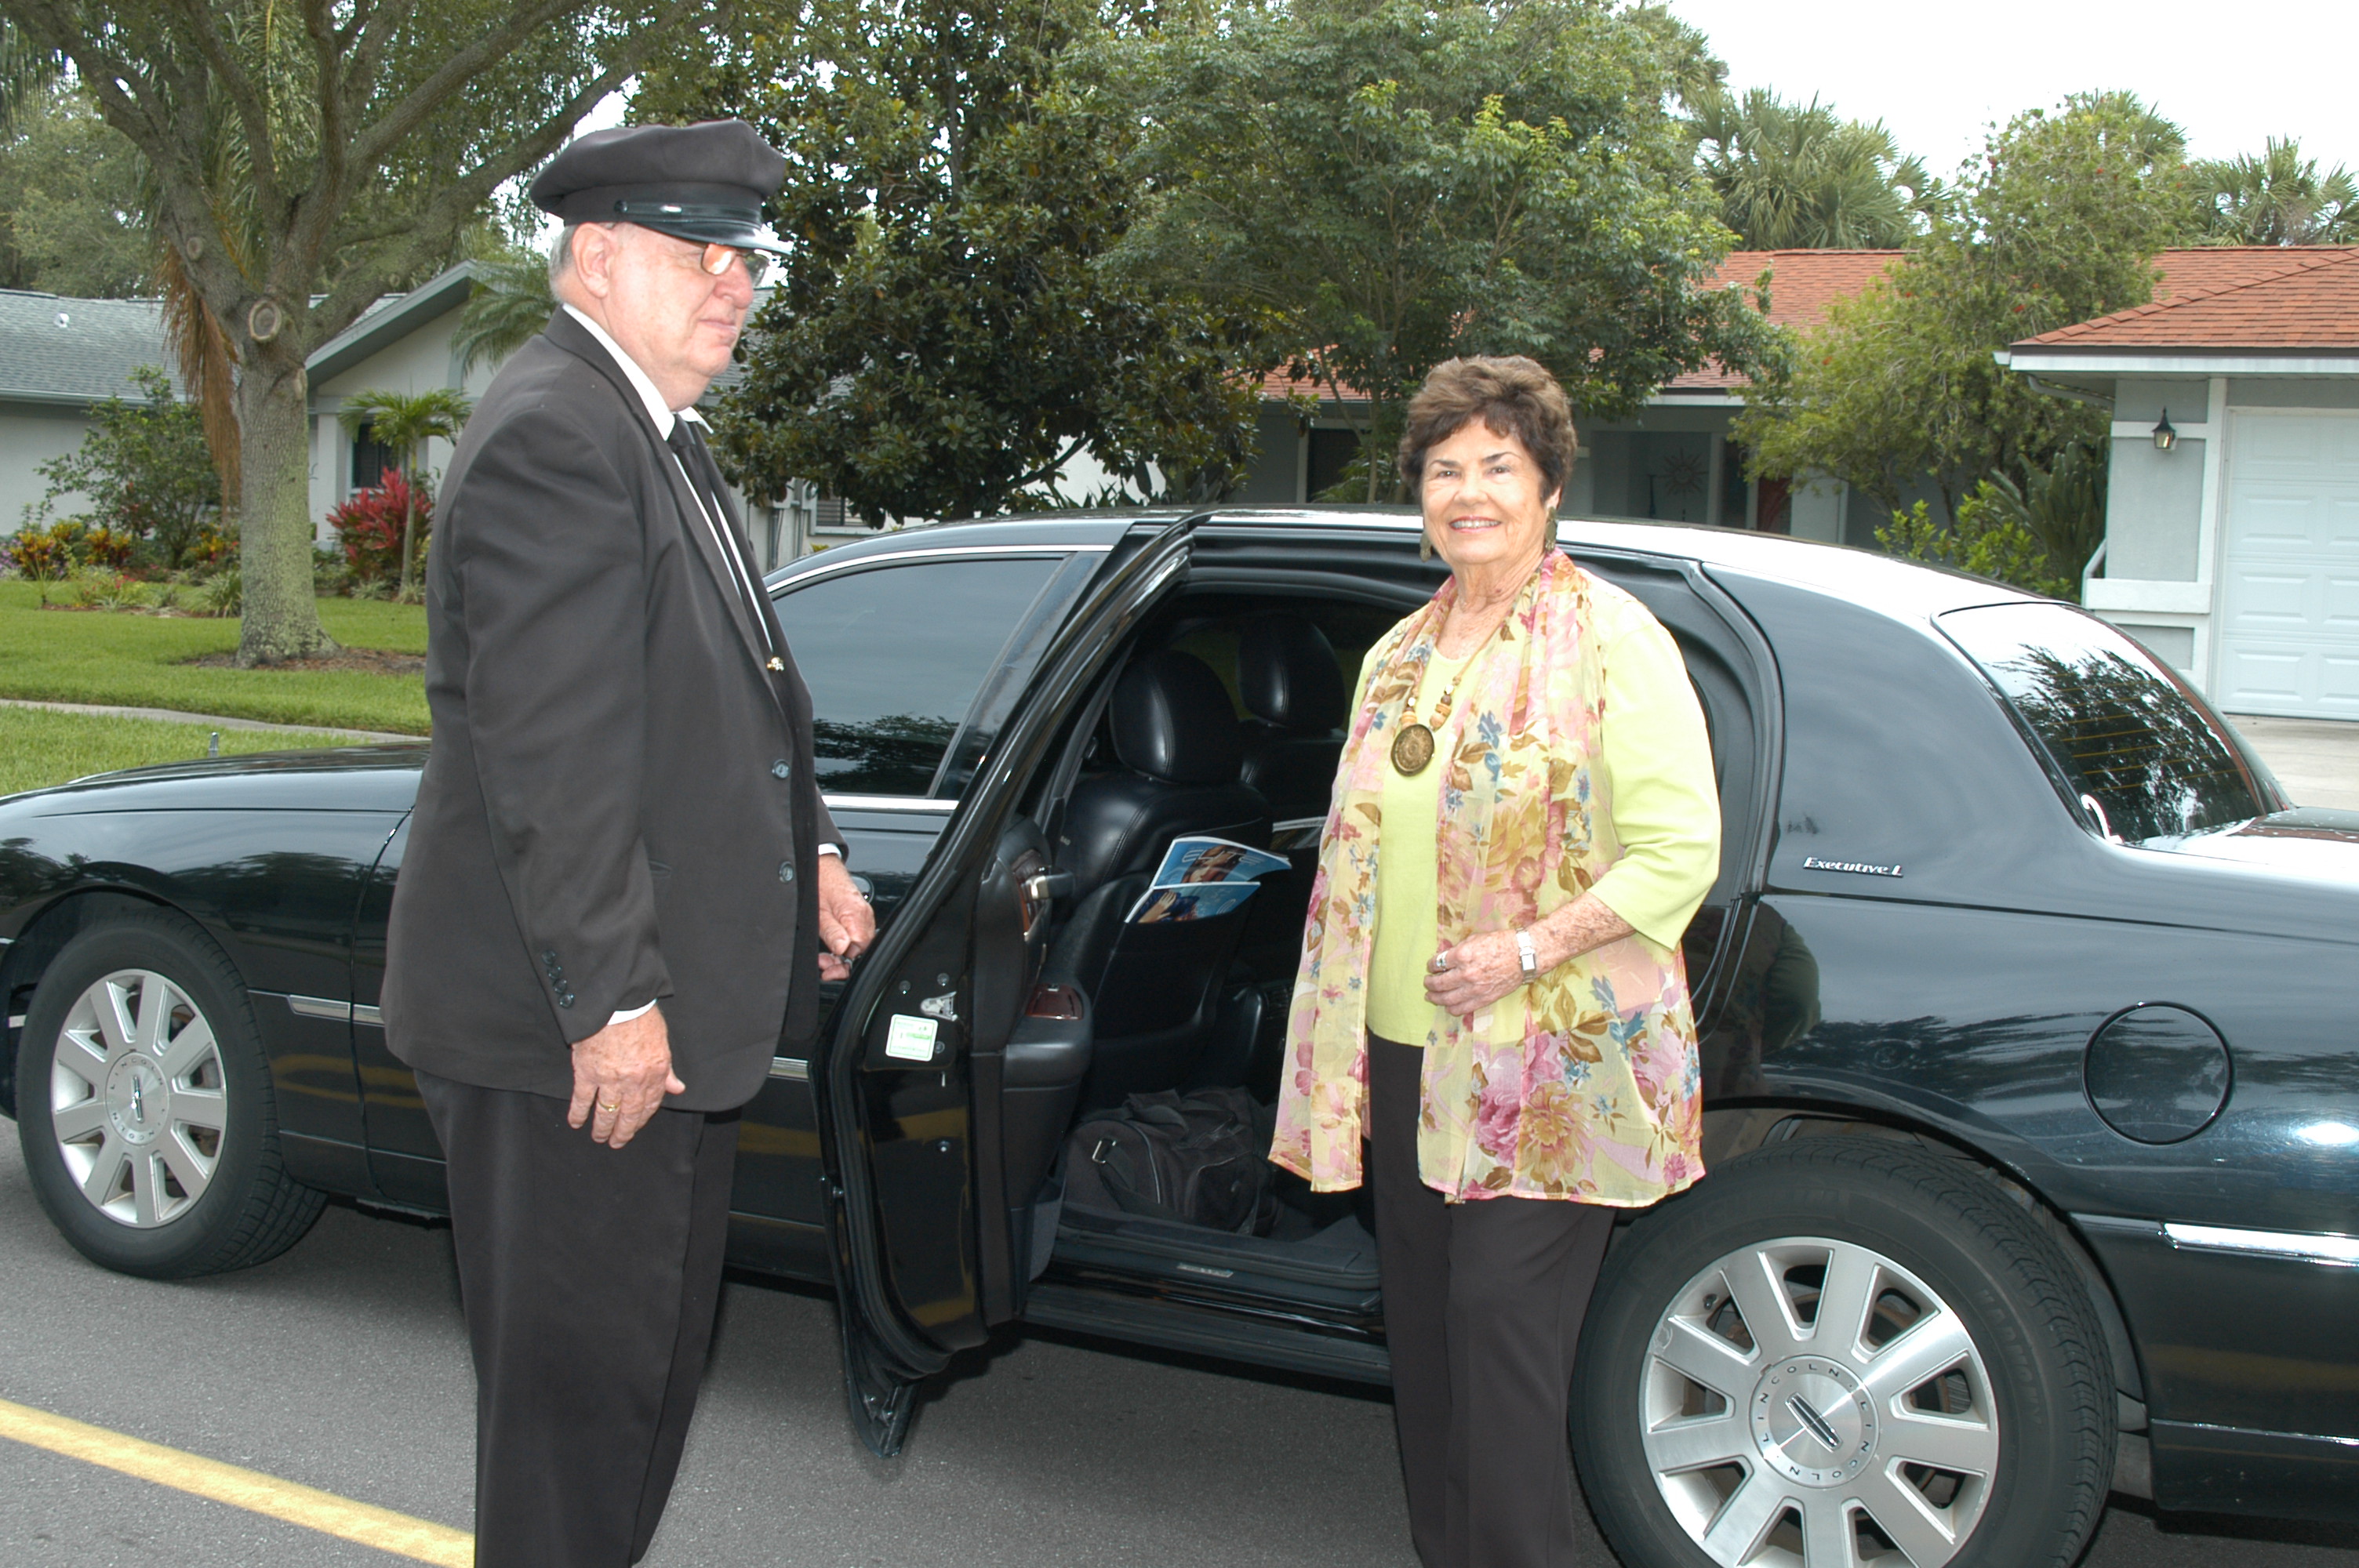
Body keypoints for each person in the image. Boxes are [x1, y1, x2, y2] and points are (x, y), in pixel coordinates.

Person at [380, 120, 875, 1567]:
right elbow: (558, 758)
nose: (733, 284)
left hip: (653, 1024)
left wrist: (820, 853)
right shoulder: (558, 432)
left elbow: (741, 694)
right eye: (696, 251)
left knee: (639, 1390)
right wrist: (612, 1003)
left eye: (745, 259)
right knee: (576, 1423)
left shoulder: (659, 435)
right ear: (595, 257)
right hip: (571, 1042)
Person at [1270, 356, 1721, 1568]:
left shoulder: (1614, 641)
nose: (1467, 493)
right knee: (1426, 1351)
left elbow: (1682, 853)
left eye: (1497, 468)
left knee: (1502, 1348)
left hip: (1547, 1062)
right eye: (1444, 470)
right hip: (1407, 1057)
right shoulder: (1396, 657)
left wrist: (1528, 948)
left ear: (1551, 485)